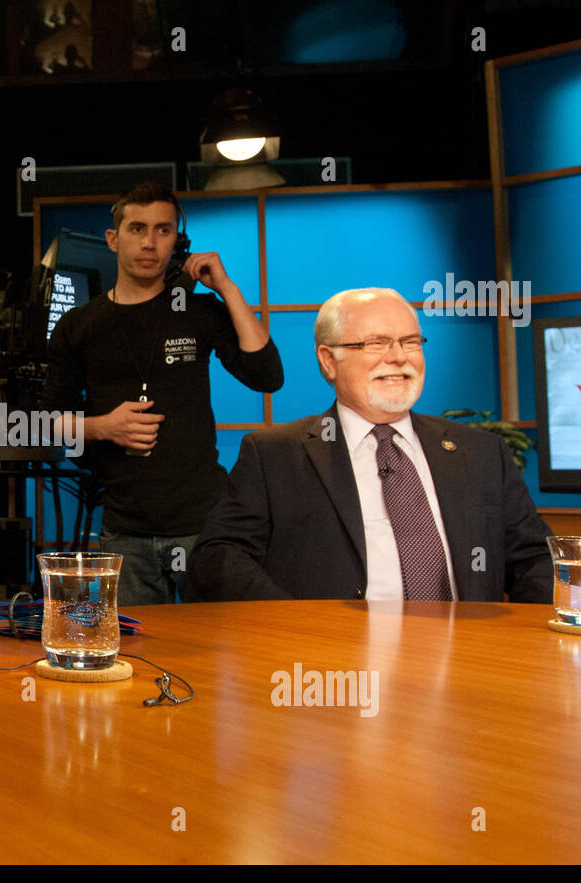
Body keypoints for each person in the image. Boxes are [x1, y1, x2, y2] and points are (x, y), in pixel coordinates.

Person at [190, 287, 553, 603]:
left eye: (410, 342)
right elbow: (218, 556)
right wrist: (294, 625)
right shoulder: (274, 455)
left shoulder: (481, 452)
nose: (398, 357)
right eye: (376, 343)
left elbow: (536, 559)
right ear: (328, 361)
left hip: (466, 659)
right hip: (334, 665)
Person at [40, 180, 283, 605]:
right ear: (113, 239)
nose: (149, 243)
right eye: (137, 229)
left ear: (178, 240)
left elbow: (267, 375)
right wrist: (104, 426)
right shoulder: (79, 325)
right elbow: (46, 424)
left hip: (203, 525)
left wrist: (226, 288)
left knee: (210, 657)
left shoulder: (197, 309)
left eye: (163, 230)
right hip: (124, 531)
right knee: (133, 662)